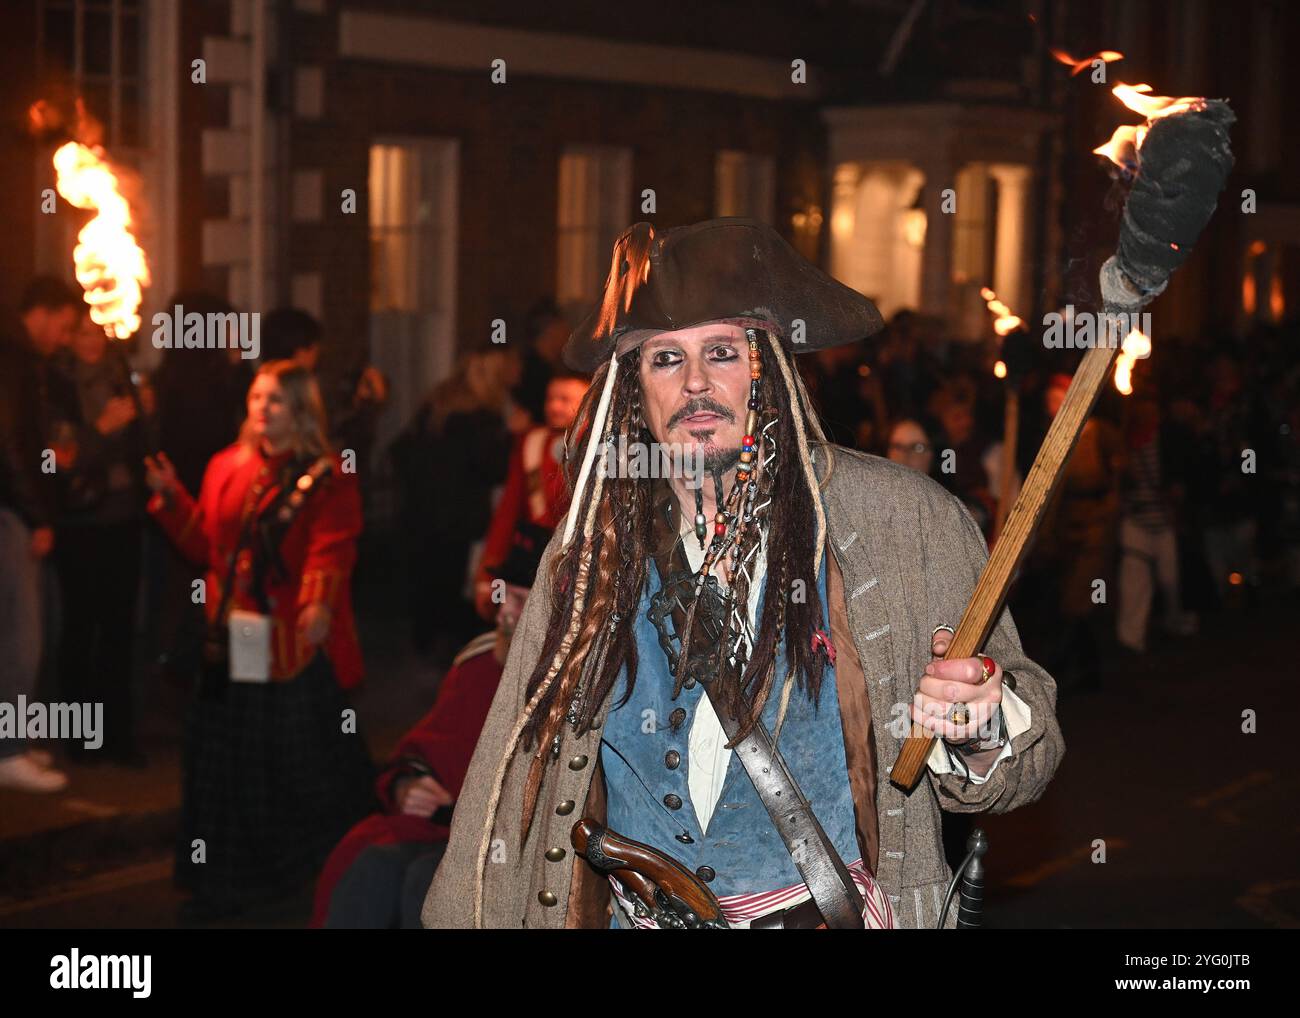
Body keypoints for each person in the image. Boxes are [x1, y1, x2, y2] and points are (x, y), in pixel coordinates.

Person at [422, 219, 1064, 930]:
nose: (695, 382)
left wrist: (977, 726)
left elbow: (1024, 761)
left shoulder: (903, 521)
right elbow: (507, 778)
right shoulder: (589, 550)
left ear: (767, 371)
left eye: (721, 353)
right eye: (666, 358)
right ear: (634, 391)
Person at [144, 360, 374, 920]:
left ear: (299, 409)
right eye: (256, 397)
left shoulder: (325, 475)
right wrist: (172, 498)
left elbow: (332, 545)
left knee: (295, 770)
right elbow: (207, 546)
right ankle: (226, 881)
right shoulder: (226, 464)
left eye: (275, 399)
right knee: (223, 769)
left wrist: (317, 601)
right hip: (231, 640)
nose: (262, 408)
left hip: (287, 647)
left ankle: (311, 875)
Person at [312, 528, 544, 928]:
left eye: (520, 600)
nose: (504, 612)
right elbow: (432, 745)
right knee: (370, 863)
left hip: (517, 848)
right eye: (502, 595)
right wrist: (408, 784)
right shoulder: (477, 664)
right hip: (446, 828)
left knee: (425, 880)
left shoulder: (564, 683)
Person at [53, 309, 152, 765]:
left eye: (99, 332)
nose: (92, 341)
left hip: (124, 517)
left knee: (120, 627)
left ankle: (119, 736)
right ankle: (78, 736)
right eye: (83, 332)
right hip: (80, 521)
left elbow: (145, 446)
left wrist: (146, 415)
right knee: (80, 626)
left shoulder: (121, 375)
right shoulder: (56, 384)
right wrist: (100, 430)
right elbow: (55, 460)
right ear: (69, 337)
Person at [0, 277, 82, 793]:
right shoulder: (13, 361)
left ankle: (14, 739)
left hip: (15, 508)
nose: (66, 339)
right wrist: (35, 516)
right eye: (66, 327)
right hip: (10, 512)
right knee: (20, 632)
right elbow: (9, 445)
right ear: (43, 313)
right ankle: (7, 750)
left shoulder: (23, 362)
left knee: (24, 628)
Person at [390, 347, 523, 659]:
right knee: (454, 586)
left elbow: (399, 450)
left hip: (422, 512)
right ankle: (452, 654)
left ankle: (426, 645)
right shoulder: (480, 418)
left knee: (429, 582)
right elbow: (493, 467)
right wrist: (511, 437)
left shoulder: (437, 406)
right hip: (458, 517)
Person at [473, 371, 589, 620]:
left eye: (565, 399)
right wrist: (487, 577)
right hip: (531, 565)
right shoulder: (532, 443)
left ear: (589, 404)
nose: (554, 406)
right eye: (550, 398)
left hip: (581, 568)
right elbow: (507, 514)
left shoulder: (601, 448)